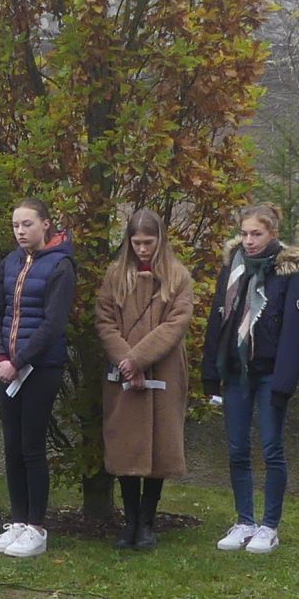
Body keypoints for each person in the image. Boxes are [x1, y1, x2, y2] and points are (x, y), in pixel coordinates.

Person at [201, 204, 299, 555]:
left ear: (272, 234)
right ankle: (244, 520)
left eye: (257, 234)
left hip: (267, 373)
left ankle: (269, 525)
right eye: (245, 233)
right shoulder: (233, 268)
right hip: (235, 370)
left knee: (270, 447)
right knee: (237, 448)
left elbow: (294, 333)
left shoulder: (288, 273)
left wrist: (284, 381)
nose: (249, 241)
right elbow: (218, 320)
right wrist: (210, 373)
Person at [97, 209, 193, 551]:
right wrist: (126, 362)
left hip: (164, 370)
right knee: (127, 446)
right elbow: (105, 321)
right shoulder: (115, 275)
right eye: (136, 242)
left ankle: (148, 522)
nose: (142, 249)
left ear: (160, 240)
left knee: (158, 448)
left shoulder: (177, 276)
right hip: (123, 371)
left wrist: (136, 359)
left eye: (148, 242)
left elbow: (175, 325)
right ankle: (130, 522)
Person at [0, 198, 76, 558]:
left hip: (40, 369)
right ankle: (18, 520)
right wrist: (0, 356)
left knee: (32, 445)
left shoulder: (60, 266)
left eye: (27, 224)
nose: (21, 232)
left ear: (45, 225)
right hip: (6, 368)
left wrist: (19, 361)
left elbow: (53, 325)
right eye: (16, 226)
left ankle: (36, 526)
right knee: (11, 445)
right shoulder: (9, 262)